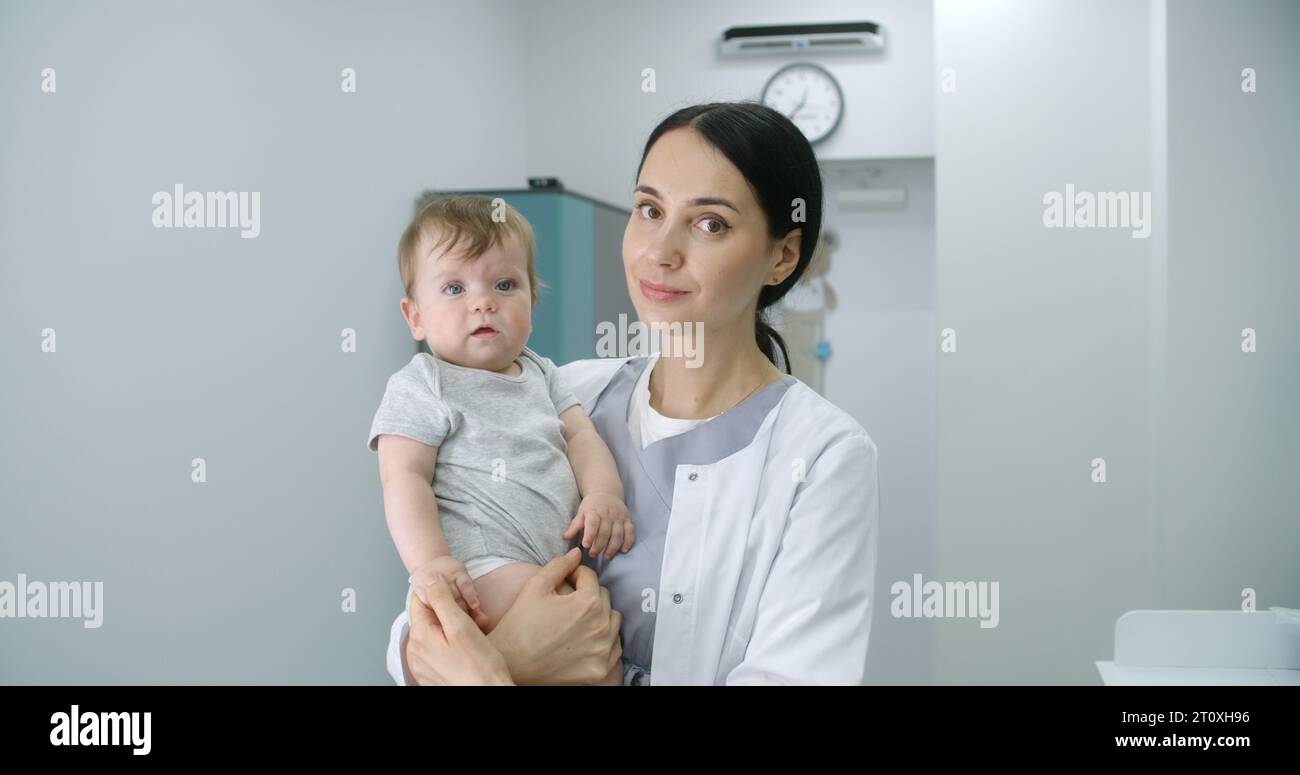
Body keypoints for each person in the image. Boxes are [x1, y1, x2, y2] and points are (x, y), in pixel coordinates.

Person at [388, 101, 880, 685]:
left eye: (710, 224)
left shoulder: (824, 455)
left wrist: (488, 673)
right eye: (649, 210)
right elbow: (418, 635)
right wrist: (511, 660)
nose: (659, 252)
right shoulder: (561, 392)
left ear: (783, 255)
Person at [368, 195, 632, 685]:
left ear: (532, 301)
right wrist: (432, 564)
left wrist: (603, 493)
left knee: (603, 659)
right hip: (480, 566)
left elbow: (582, 436)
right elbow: (402, 476)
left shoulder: (543, 374)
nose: (483, 301)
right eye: (453, 287)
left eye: (505, 284)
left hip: (553, 564)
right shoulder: (424, 383)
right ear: (415, 317)